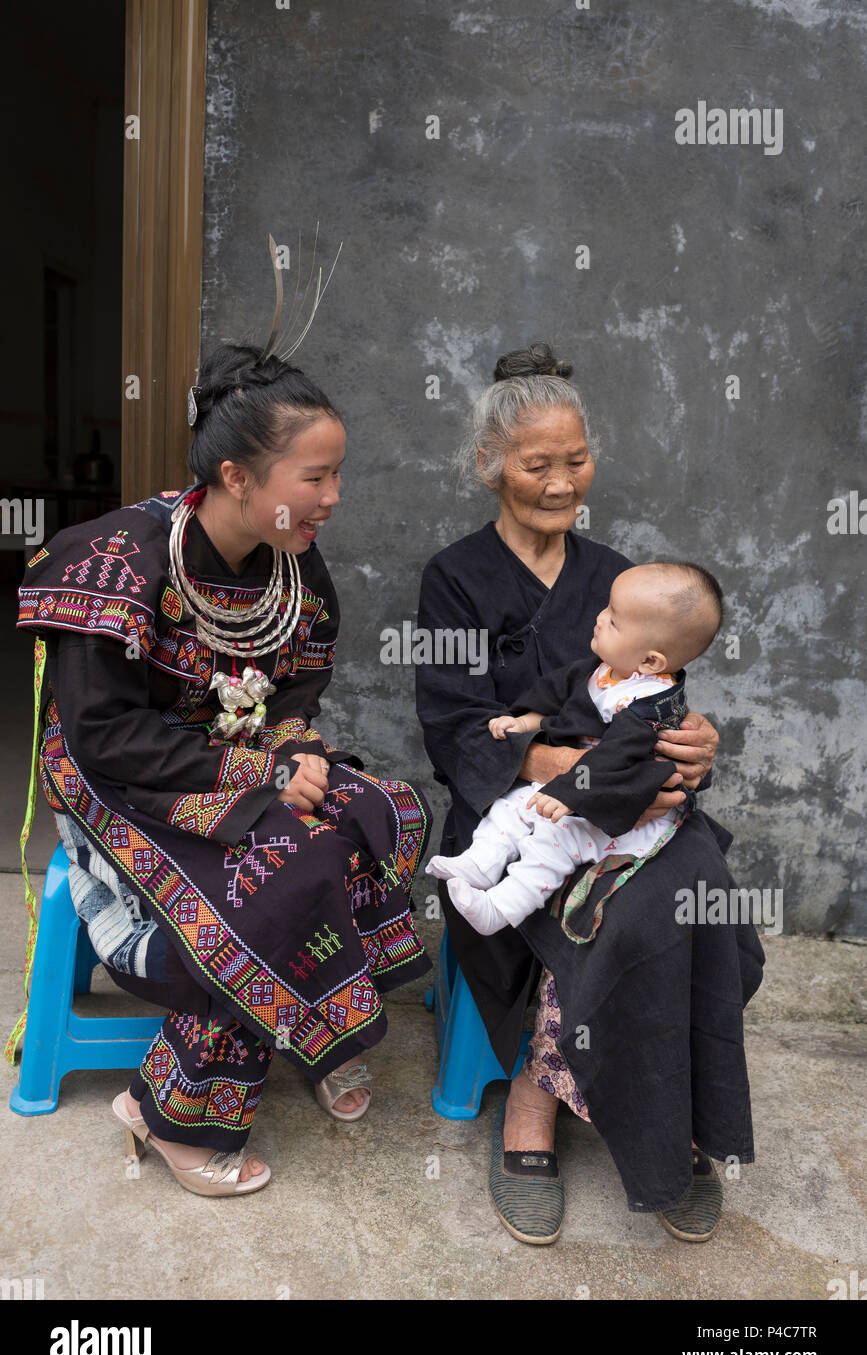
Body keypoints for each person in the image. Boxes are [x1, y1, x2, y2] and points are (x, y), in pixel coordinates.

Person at [12, 344, 432, 1196]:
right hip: (124, 772)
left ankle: (307, 1018)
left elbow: (302, 678)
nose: (333, 498)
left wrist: (289, 745)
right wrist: (256, 775)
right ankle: (172, 1112)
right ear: (238, 477)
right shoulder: (115, 561)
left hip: (244, 755)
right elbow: (102, 736)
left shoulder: (292, 563)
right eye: (315, 477)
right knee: (281, 875)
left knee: (387, 811)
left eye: (336, 474)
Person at [415, 342, 764, 1245]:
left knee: (697, 902)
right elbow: (453, 724)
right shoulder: (453, 579)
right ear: (491, 465)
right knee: (605, 914)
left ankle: (674, 1110)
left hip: (637, 812)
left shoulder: (618, 574)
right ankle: (534, 1105)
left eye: (576, 459)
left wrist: (689, 755)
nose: (562, 481)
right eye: (537, 464)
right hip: (527, 813)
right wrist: (563, 779)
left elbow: (655, 696)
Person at [427, 561, 722, 938]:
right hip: (580, 783)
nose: (599, 618)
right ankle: (479, 863)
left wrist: (571, 793)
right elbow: (558, 693)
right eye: (606, 608)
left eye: (613, 620)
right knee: (512, 805)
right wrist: (526, 722)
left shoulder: (650, 703)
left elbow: (618, 756)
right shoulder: (606, 669)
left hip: (621, 801)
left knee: (553, 839)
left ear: (650, 661)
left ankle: (502, 907)